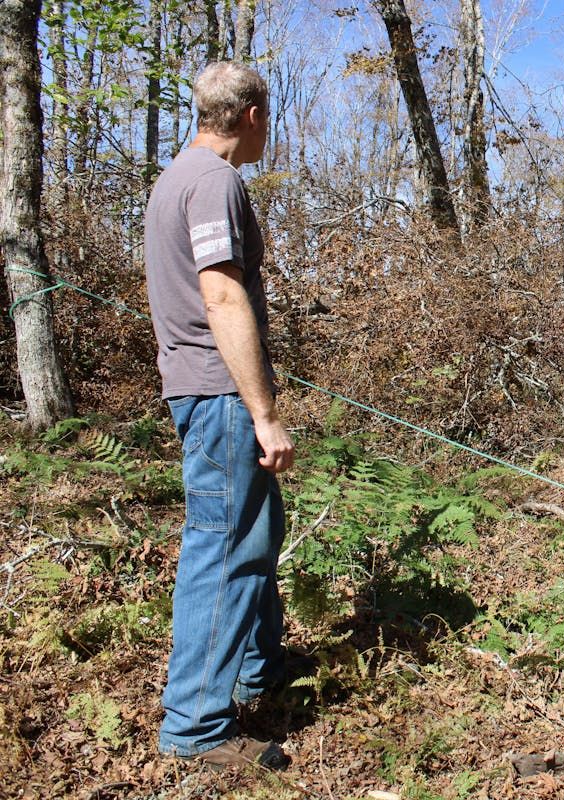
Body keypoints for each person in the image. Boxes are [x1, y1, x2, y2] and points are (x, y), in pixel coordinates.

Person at [144, 61, 294, 770]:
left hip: (202, 389)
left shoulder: (177, 176)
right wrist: (263, 412)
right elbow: (222, 299)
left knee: (257, 529)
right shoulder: (213, 182)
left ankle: (257, 672)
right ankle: (197, 728)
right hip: (220, 395)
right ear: (255, 115)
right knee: (226, 546)